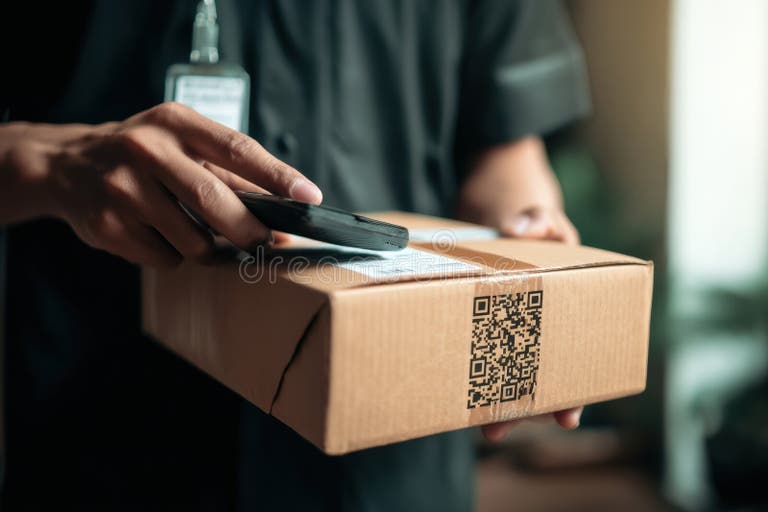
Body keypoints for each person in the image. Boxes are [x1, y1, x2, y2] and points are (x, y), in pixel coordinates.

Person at [0, 0, 590, 510]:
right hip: (100, 437)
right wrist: (55, 163)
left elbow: (505, 155)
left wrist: (524, 240)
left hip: (387, 462)